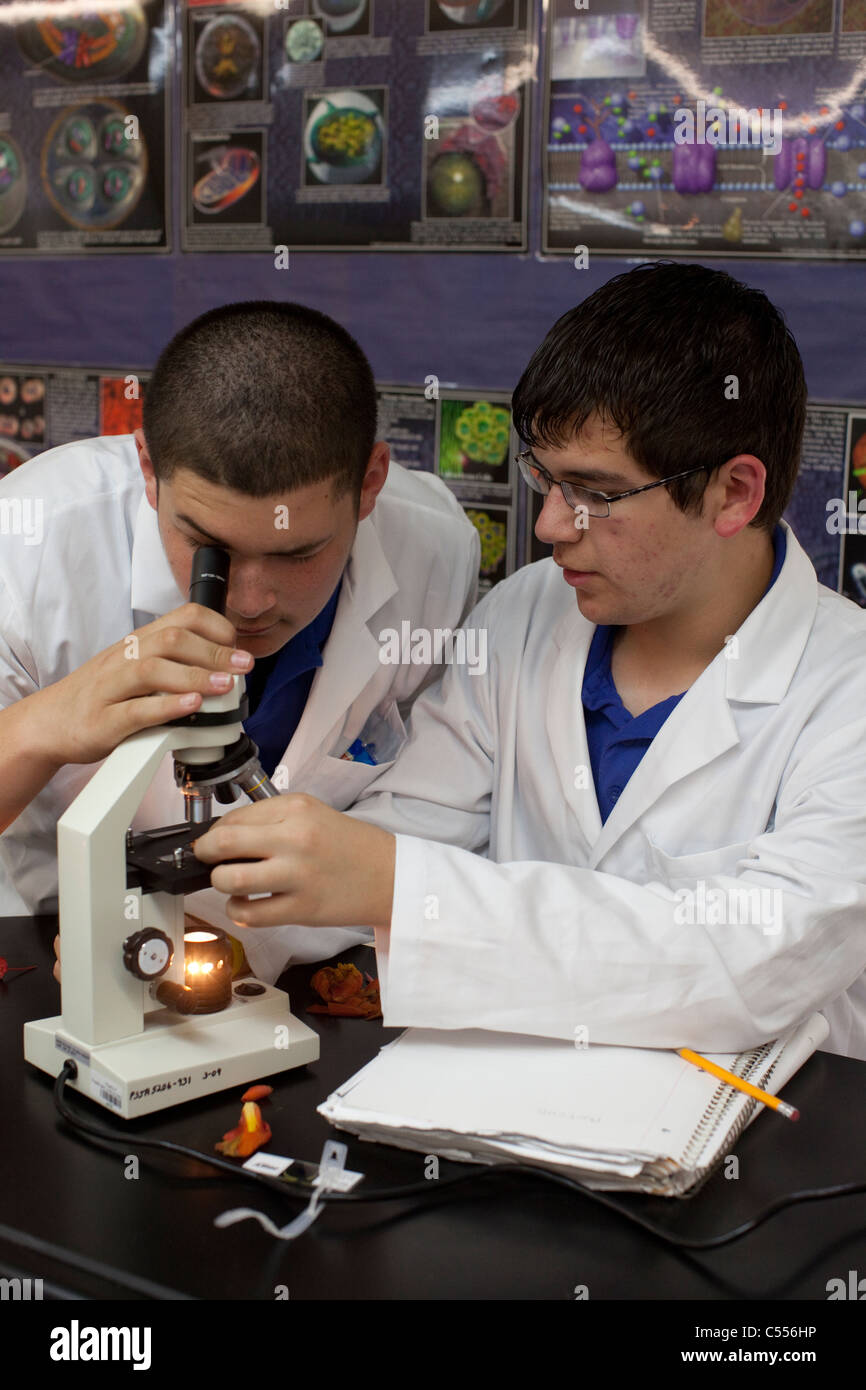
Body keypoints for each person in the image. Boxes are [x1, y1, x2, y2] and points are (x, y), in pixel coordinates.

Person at [191, 263, 866, 1060]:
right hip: (509, 1115)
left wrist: (406, 885)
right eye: (542, 477)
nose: (548, 525)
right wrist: (226, 935)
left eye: (592, 493)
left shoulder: (844, 693)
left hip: (767, 1145)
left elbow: (746, 970)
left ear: (734, 494)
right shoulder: (526, 611)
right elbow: (414, 827)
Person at [0, 301, 480, 981]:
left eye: (298, 553)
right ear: (148, 466)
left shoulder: (434, 551)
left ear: (370, 483)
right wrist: (37, 729)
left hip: (299, 960)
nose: (249, 602)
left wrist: (238, 937)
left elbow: (429, 816)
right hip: (37, 945)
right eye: (207, 547)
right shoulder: (27, 548)